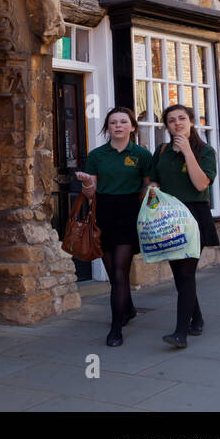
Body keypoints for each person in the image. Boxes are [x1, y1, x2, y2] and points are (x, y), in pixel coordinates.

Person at [75, 106, 153, 347]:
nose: (118, 126)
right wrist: (87, 183)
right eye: (113, 123)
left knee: (120, 271)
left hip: (129, 214)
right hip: (103, 213)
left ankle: (116, 328)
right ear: (107, 128)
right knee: (112, 273)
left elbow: (150, 188)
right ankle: (127, 308)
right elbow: (90, 194)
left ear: (132, 126)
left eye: (122, 122)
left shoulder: (142, 154)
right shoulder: (98, 155)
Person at [148, 104, 220, 348]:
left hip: (194, 215)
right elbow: (154, 178)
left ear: (191, 122)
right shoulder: (161, 151)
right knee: (179, 273)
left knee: (187, 272)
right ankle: (197, 317)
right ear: (166, 126)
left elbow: (201, 184)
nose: (177, 123)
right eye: (171, 120)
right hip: (169, 217)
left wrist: (188, 151)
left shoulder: (205, 151)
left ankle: (181, 333)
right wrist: (153, 187)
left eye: (182, 118)